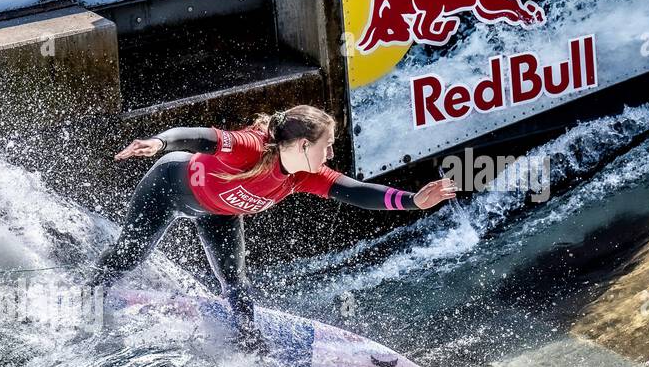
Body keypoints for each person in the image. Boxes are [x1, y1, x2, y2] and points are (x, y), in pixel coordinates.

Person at [89, 104, 457, 348]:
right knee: (128, 257)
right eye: (327, 146)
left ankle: (250, 346)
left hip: (218, 212)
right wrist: (159, 141)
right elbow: (199, 135)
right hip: (168, 187)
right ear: (302, 143)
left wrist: (412, 200)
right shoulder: (250, 146)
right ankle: (87, 294)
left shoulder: (301, 175)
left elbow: (356, 191)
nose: (330, 154)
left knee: (235, 284)